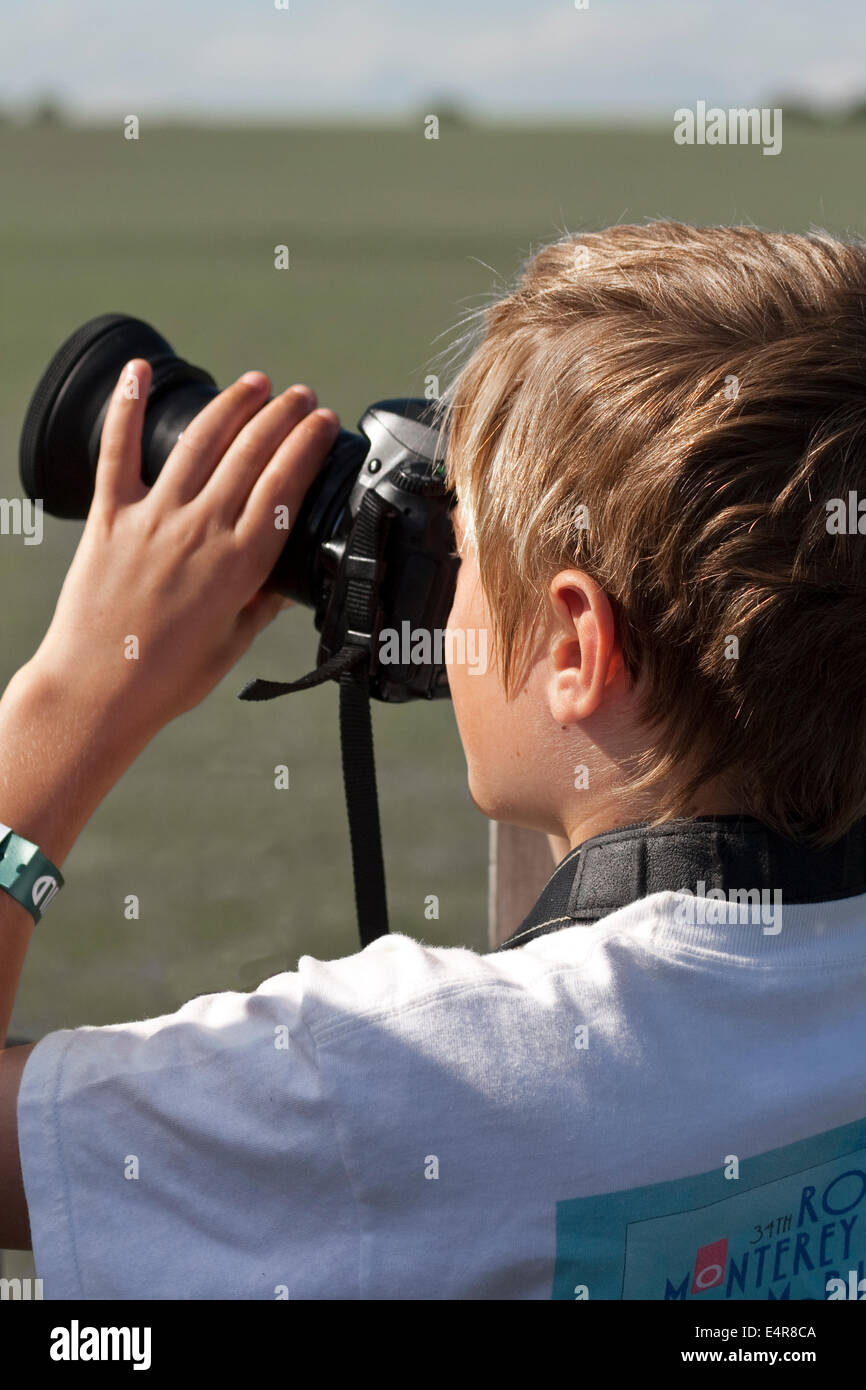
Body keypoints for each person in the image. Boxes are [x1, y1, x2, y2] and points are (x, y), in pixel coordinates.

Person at [1, 220, 865, 1300]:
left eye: (458, 550)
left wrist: (75, 698)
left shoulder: (395, 1076)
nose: (438, 597)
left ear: (573, 647)